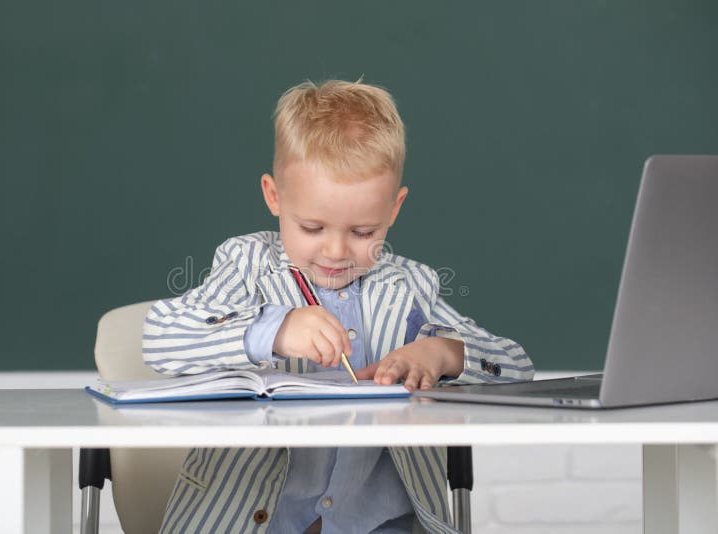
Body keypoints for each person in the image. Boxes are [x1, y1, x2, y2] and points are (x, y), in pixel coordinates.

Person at [143, 79, 534, 533]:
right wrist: (275, 328)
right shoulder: (245, 263)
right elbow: (159, 337)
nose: (335, 252)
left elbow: (516, 366)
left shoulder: (410, 286)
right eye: (311, 227)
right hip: (251, 520)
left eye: (363, 232)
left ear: (394, 208)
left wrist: (443, 354)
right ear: (274, 197)